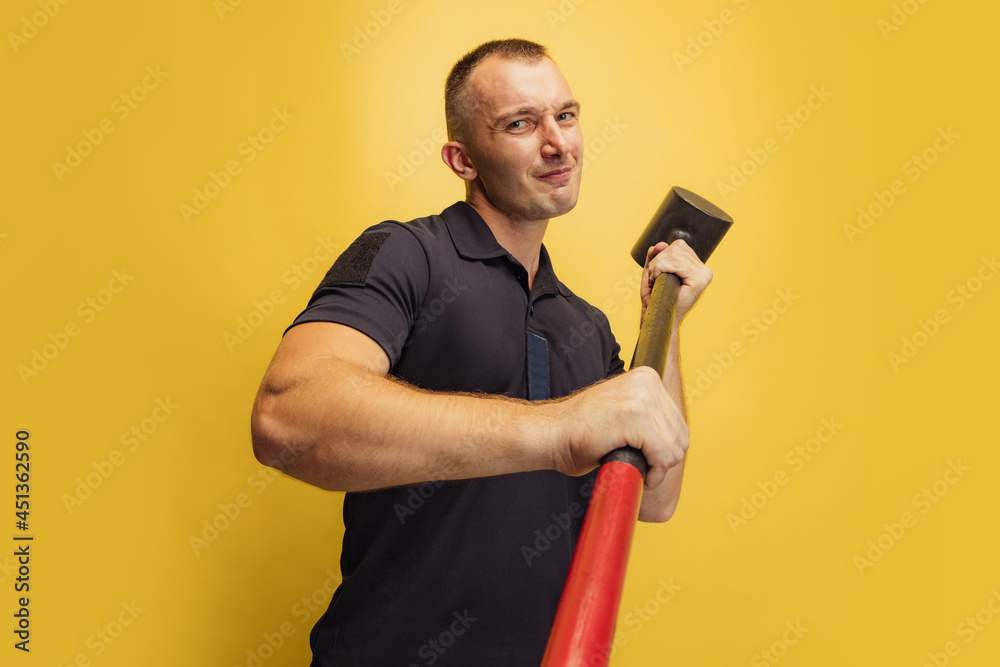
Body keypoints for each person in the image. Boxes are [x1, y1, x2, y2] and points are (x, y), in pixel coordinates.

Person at [250, 38, 713, 666]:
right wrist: (559, 430)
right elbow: (288, 417)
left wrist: (668, 324)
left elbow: (655, 498)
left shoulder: (586, 325)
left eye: (566, 115)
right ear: (462, 158)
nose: (557, 143)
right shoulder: (406, 255)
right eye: (520, 124)